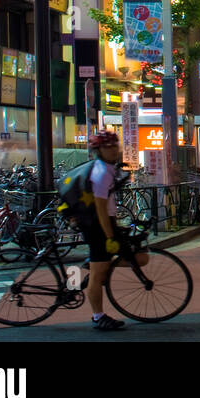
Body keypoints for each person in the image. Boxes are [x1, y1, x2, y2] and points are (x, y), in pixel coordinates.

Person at [77, 130, 149, 332]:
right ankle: (98, 316)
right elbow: (100, 207)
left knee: (141, 257)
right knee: (98, 273)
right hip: (97, 226)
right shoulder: (100, 173)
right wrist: (109, 235)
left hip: (106, 223)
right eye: (108, 146)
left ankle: (96, 266)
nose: (113, 150)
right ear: (98, 150)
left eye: (114, 145)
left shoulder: (108, 169)